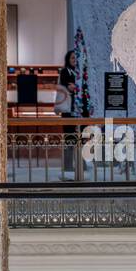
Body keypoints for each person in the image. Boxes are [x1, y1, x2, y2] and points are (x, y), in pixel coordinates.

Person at [55, 49, 81, 180]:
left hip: (79, 111)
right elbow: (70, 87)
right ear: (67, 59)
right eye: (72, 58)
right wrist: (75, 87)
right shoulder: (65, 71)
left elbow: (76, 87)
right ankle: (68, 166)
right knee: (69, 138)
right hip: (67, 111)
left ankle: (81, 166)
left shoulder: (80, 72)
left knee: (80, 138)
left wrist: (75, 86)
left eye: (76, 58)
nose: (74, 61)